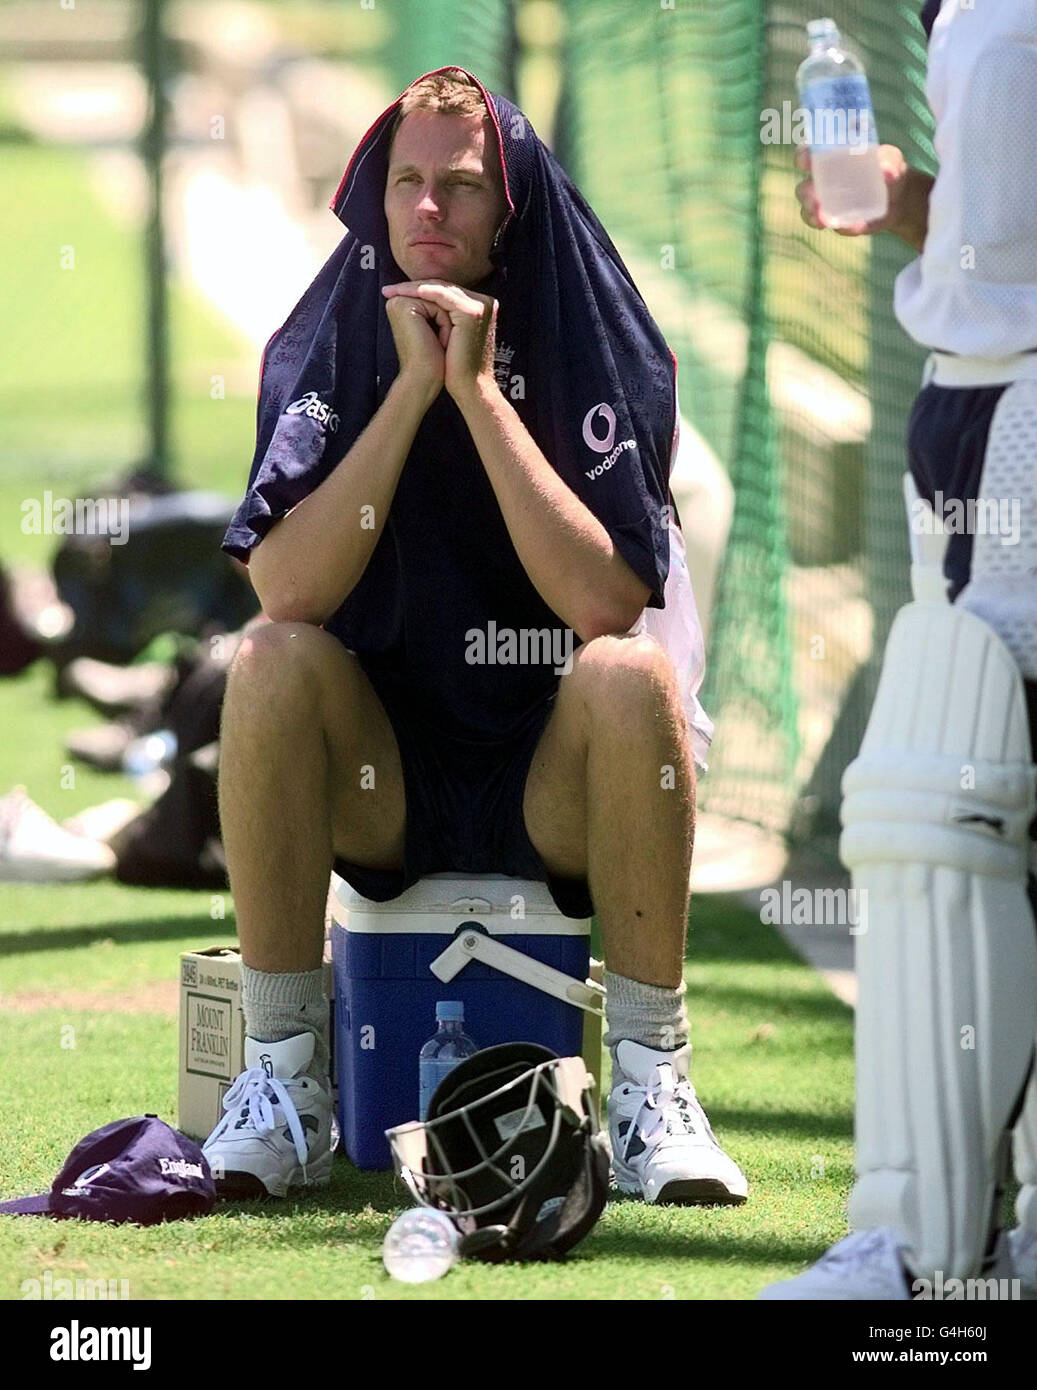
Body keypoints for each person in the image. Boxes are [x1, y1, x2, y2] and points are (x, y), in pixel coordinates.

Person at [201, 67, 747, 1207]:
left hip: (549, 782)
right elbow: (286, 591)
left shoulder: (579, 318)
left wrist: (478, 395)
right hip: (382, 775)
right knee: (267, 665)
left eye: (458, 185)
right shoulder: (344, 319)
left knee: (627, 673)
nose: (426, 210)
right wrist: (407, 396)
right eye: (404, 182)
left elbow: (605, 601)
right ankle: (285, 1083)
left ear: (511, 208)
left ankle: (654, 1090)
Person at [763, 0, 1037, 1298]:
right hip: (965, 395)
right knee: (976, 804)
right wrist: (922, 201)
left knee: (938, 803)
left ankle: (921, 1245)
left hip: (1026, 404)